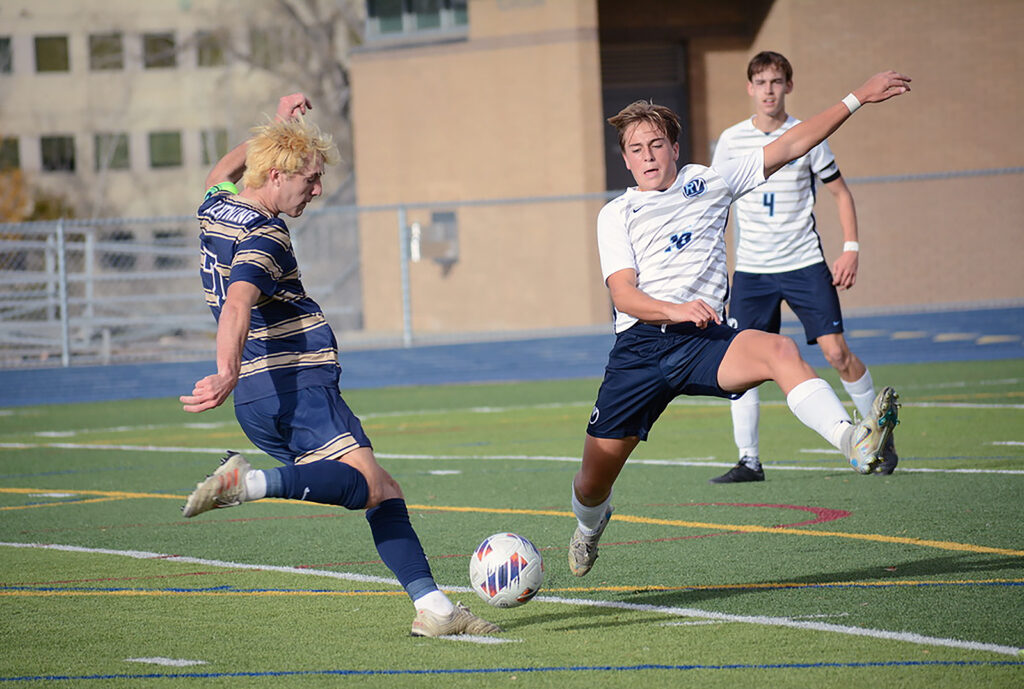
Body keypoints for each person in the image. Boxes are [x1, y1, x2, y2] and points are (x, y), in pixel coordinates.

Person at [179, 93, 500, 638]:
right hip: (294, 382)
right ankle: (246, 483)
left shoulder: (217, 207)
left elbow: (221, 170)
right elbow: (237, 302)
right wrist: (226, 368)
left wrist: (279, 128)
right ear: (277, 174)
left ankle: (437, 610)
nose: (317, 189)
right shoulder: (266, 233)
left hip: (261, 400)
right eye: (311, 177)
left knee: (383, 488)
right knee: (370, 486)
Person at [569, 70, 910, 577]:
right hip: (640, 351)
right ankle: (590, 528)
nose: (647, 156)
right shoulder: (616, 214)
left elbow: (793, 143)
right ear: (625, 159)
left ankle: (851, 441)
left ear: (675, 148)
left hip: (705, 342)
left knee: (781, 351)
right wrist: (675, 309)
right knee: (592, 483)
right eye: (636, 149)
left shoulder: (712, 180)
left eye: (656, 144)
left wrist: (857, 97)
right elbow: (625, 294)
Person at [709, 51, 897, 484]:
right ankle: (749, 460)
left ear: (788, 86)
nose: (769, 90)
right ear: (749, 89)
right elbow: (716, 206)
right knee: (742, 365)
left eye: (776, 81)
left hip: (803, 263)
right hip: (752, 272)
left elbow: (841, 194)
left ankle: (877, 438)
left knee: (836, 352)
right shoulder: (731, 140)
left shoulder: (808, 136)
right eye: (761, 82)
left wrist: (850, 248)